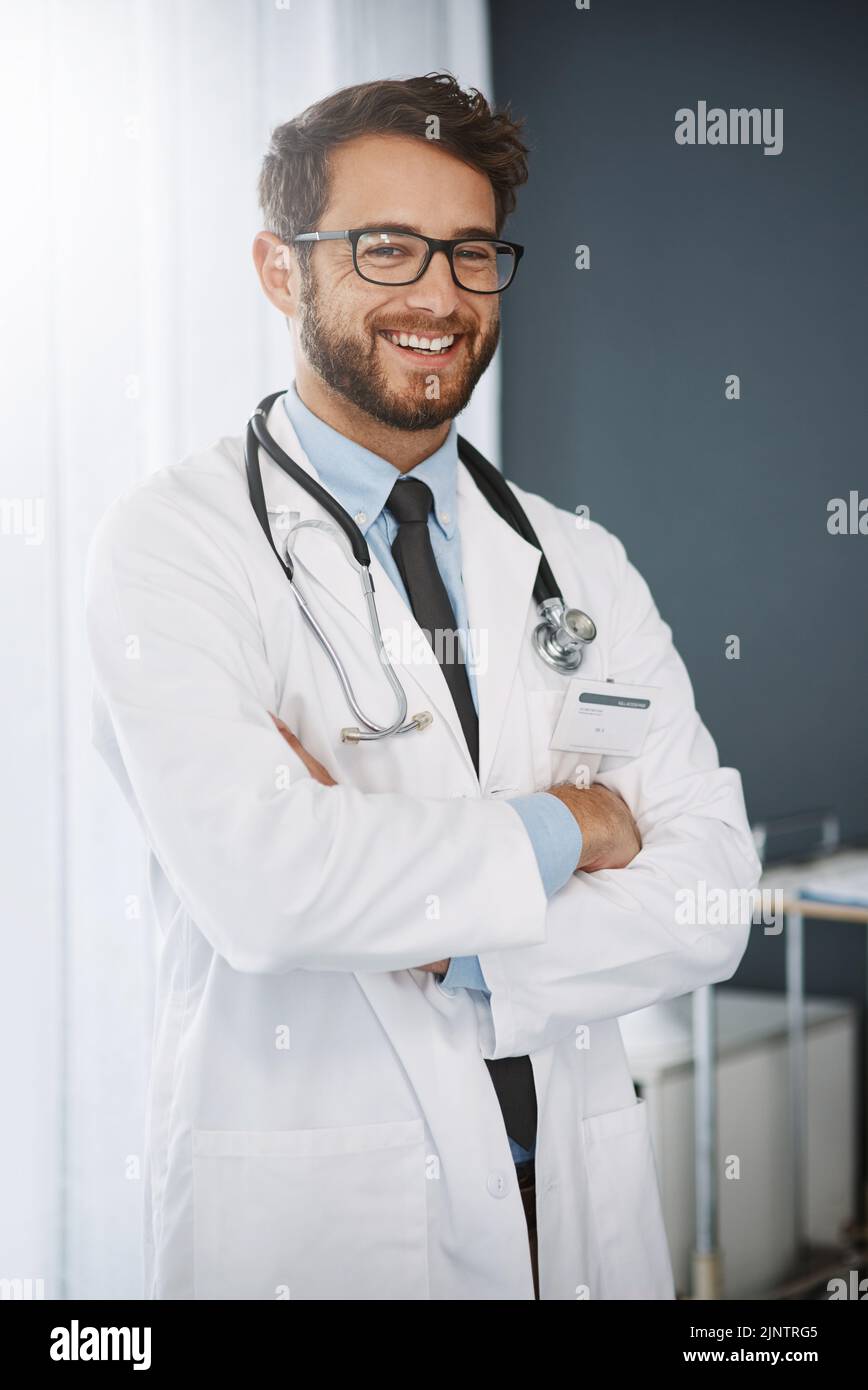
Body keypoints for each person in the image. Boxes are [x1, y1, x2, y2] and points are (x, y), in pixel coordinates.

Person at [85, 72, 761, 1300]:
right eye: (387, 250)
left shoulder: (579, 560)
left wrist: (451, 948)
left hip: (574, 1204)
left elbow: (713, 891)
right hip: (322, 1224)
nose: (439, 297)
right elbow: (270, 893)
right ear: (282, 269)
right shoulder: (174, 545)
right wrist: (572, 827)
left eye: (468, 252)